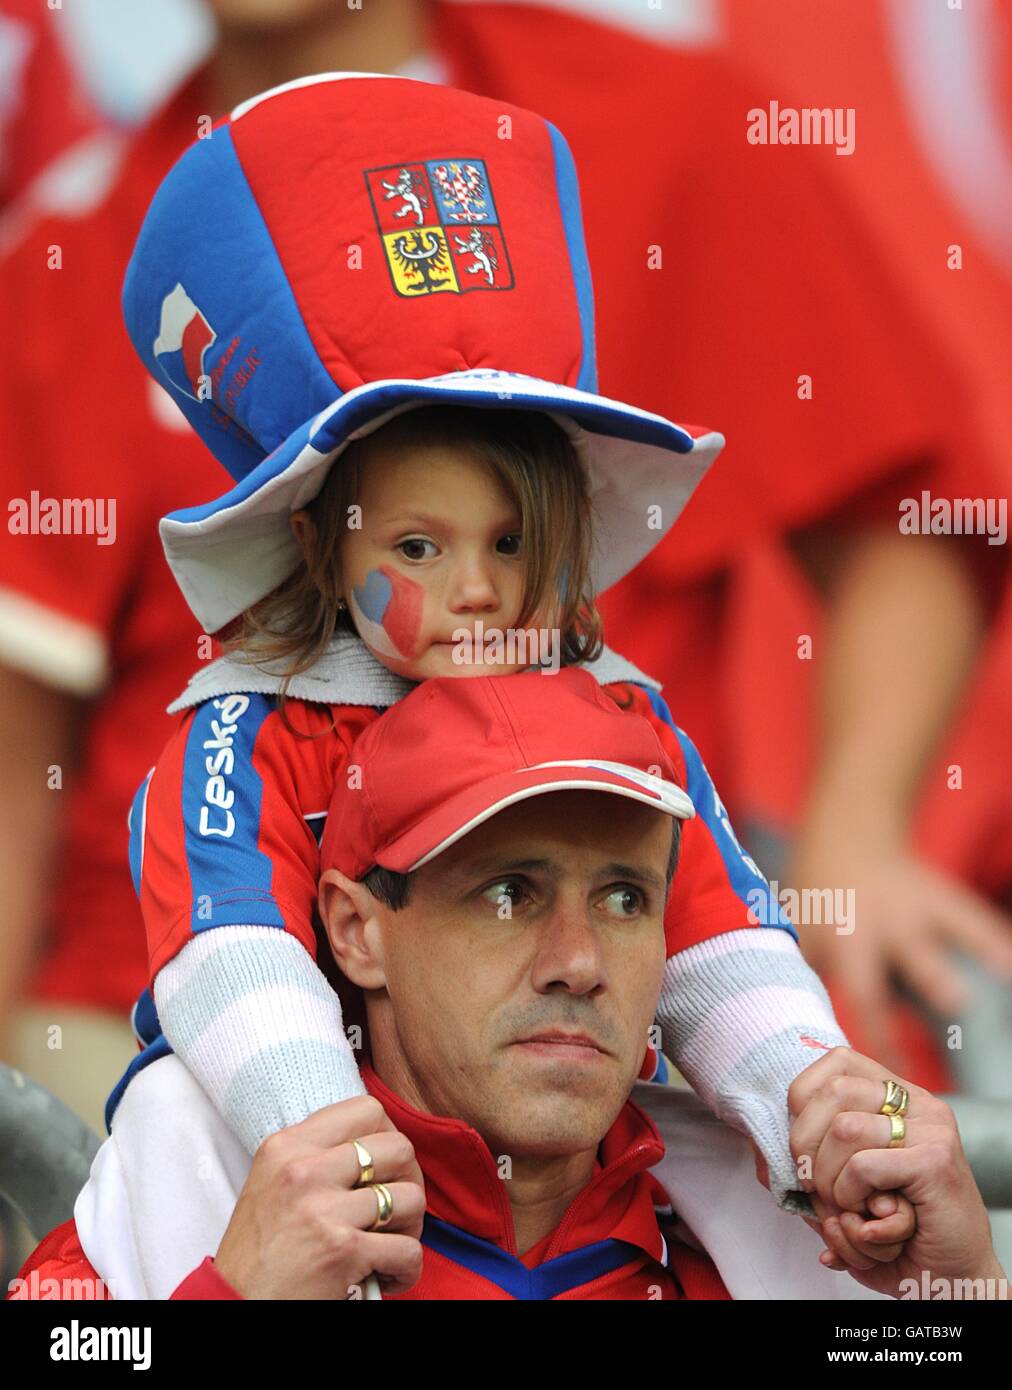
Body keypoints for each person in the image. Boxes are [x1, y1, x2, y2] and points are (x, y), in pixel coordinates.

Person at [114, 71, 857, 1234]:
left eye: (509, 541)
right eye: (416, 544)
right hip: (304, 1172)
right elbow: (230, 953)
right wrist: (331, 1140)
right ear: (315, 546)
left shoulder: (625, 714)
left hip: (552, 1168)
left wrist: (814, 1098)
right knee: (168, 1112)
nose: (472, 588)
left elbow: (718, 931)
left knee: (731, 1157)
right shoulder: (248, 726)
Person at [8, 673, 1005, 1300]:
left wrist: (955, 1295)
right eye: (507, 894)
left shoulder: (773, 1240)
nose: (577, 960)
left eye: (622, 897)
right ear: (356, 931)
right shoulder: (191, 1212)